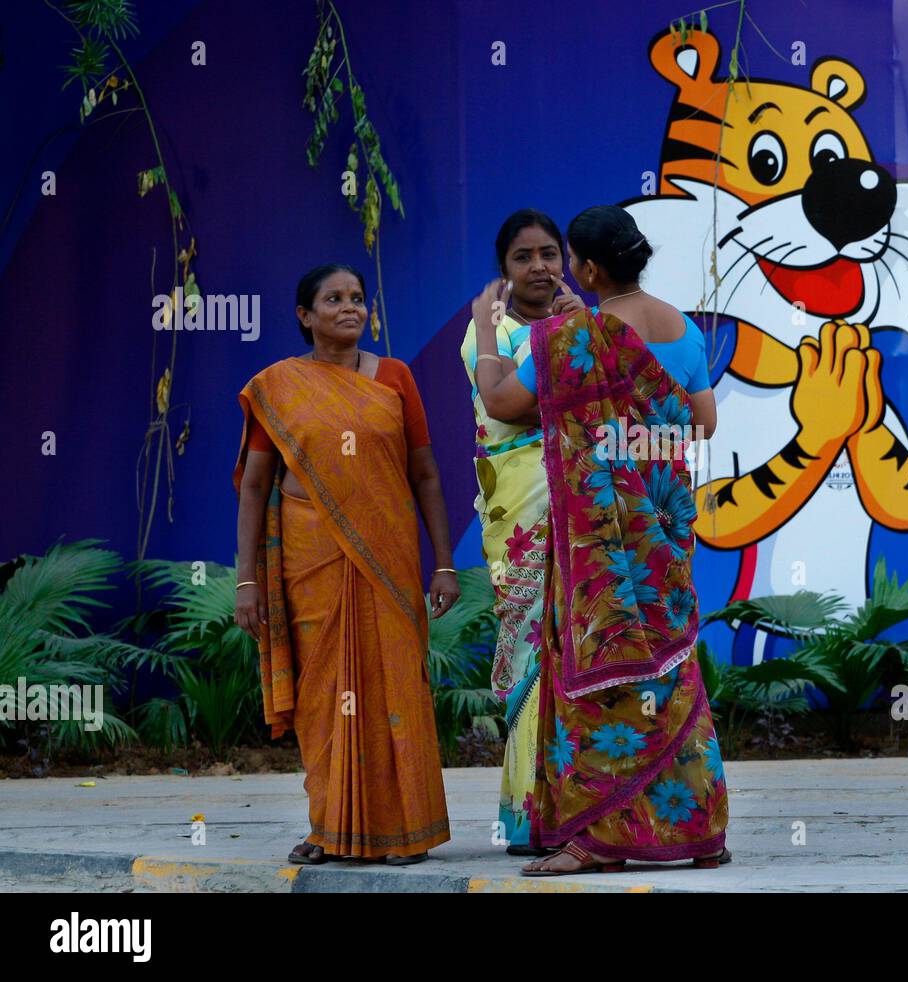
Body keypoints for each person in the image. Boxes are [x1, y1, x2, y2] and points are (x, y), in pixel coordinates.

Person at [470, 205, 728, 876]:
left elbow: (499, 403)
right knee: (668, 668)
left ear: (584, 268)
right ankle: (697, 828)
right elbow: (700, 423)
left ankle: (596, 837)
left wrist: (485, 332)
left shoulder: (572, 338)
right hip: (664, 532)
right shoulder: (679, 326)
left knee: (601, 671)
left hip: (602, 538)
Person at [233, 263, 458, 866]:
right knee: (324, 697)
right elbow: (255, 486)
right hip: (311, 558)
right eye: (333, 300)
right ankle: (328, 827)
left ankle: (404, 830)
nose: (349, 308)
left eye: (357, 298)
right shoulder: (279, 387)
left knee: (392, 685)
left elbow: (425, 473)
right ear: (305, 315)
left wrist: (444, 564)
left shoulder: (395, 377)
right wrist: (247, 579)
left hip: (388, 556)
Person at [459, 209, 581, 855]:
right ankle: (529, 816)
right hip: (522, 514)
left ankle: (583, 804)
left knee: (579, 648)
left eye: (550, 254)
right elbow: (507, 411)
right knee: (530, 648)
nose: (539, 267)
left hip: (584, 507)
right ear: (502, 270)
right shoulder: (488, 334)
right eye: (523, 256)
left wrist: (579, 326)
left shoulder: (579, 326)